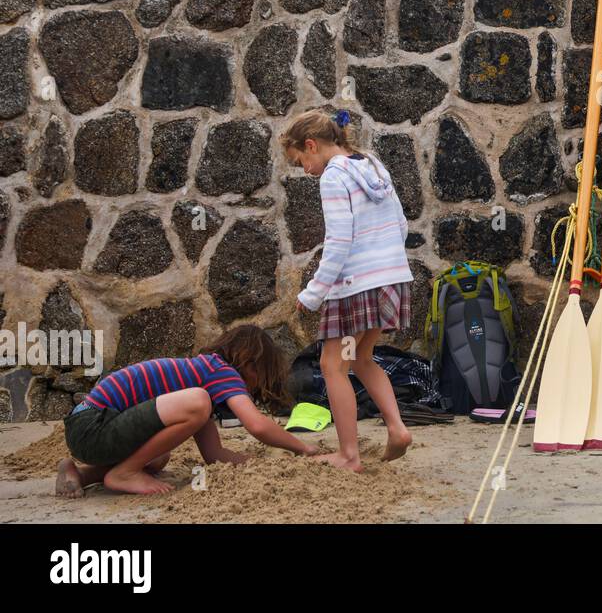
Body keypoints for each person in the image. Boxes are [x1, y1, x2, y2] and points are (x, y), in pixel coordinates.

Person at [280, 108, 413, 471]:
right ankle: (397, 429)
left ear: (312, 145)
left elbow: (339, 241)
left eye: (301, 160)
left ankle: (348, 455)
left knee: (331, 365)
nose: (305, 170)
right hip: (391, 279)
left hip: (356, 285)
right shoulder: (372, 165)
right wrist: (385, 263)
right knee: (361, 358)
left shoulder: (333, 177)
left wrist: (313, 293)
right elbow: (401, 225)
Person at [56, 325, 313, 497]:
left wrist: (261, 464)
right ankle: (125, 473)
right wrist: (303, 448)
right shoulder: (221, 372)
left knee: (159, 457)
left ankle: (79, 474)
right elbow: (256, 425)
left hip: (89, 430)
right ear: (249, 363)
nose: (255, 388)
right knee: (198, 401)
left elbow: (214, 454)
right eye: (261, 377)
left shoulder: (202, 376)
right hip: (93, 425)